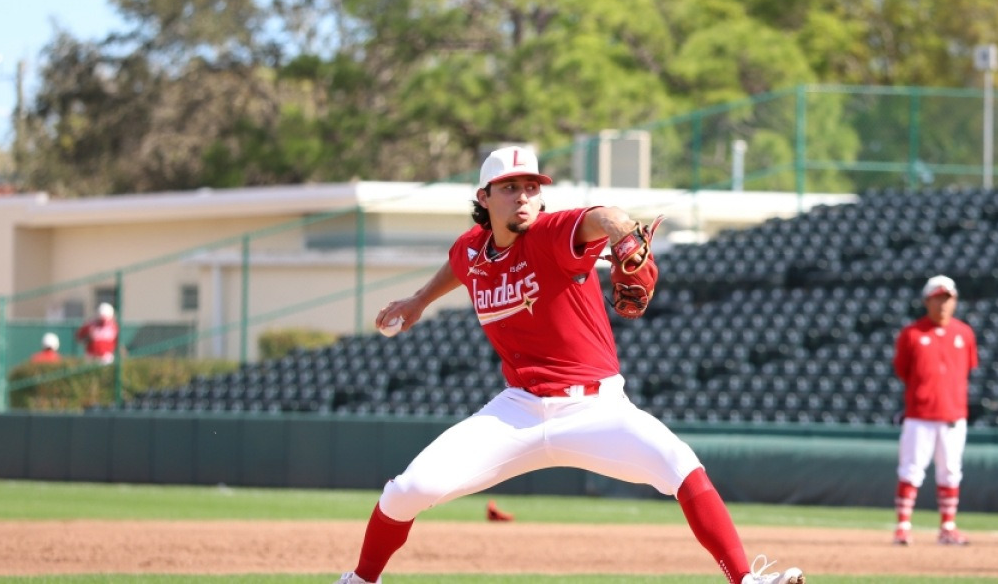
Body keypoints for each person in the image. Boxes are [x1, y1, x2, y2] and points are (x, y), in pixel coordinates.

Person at [332, 146, 805, 584]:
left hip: (596, 410)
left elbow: (603, 217)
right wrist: (417, 301)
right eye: (511, 187)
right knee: (407, 490)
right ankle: (359, 579)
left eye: (532, 187)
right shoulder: (473, 249)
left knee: (682, 466)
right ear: (484, 197)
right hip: (516, 411)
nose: (524, 197)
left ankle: (746, 580)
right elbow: (460, 264)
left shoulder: (552, 233)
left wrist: (622, 233)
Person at [890, 275, 978, 546]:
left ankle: (947, 527)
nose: (943, 304)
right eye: (938, 298)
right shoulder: (912, 334)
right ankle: (903, 526)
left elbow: (969, 368)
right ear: (927, 301)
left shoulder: (964, 333)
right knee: (911, 470)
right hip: (920, 414)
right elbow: (902, 370)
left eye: (947, 299)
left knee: (951, 471)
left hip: (953, 414)